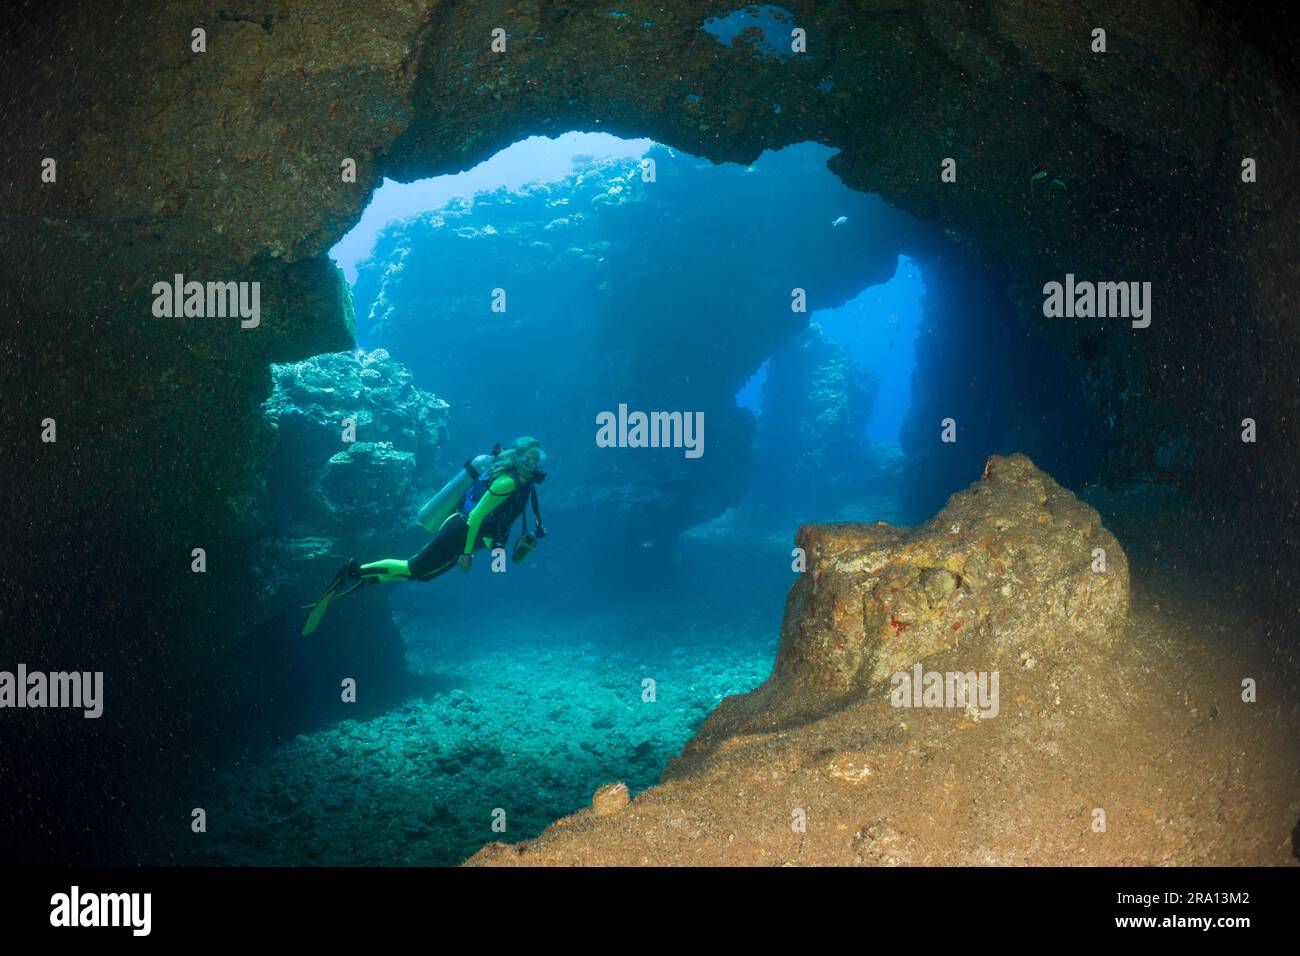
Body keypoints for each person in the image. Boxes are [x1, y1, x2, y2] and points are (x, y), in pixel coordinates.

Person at [302, 437, 548, 635]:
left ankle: (374, 578)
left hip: (467, 538)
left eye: (539, 458)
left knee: (423, 575)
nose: (535, 463)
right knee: (414, 568)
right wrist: (465, 554)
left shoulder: (523, 482)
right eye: (530, 457)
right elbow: (475, 518)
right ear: (517, 457)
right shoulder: (507, 483)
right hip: (460, 533)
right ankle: (354, 571)